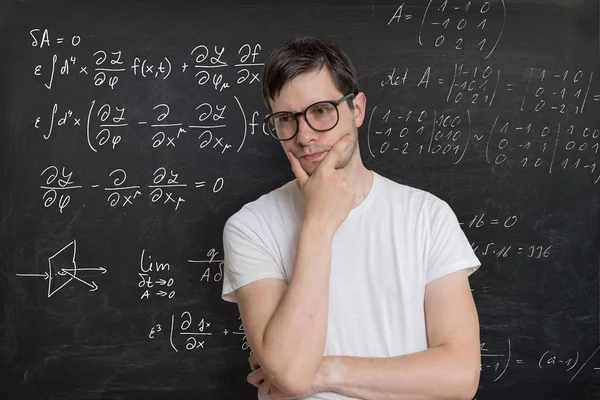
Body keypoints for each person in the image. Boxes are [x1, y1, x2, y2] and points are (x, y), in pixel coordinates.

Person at [221, 36, 482, 400]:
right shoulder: (250, 227)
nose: (306, 136)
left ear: (356, 109)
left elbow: (459, 376)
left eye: (322, 111)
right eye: (286, 119)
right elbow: (294, 374)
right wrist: (318, 224)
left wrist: (326, 371)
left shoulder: (427, 215)